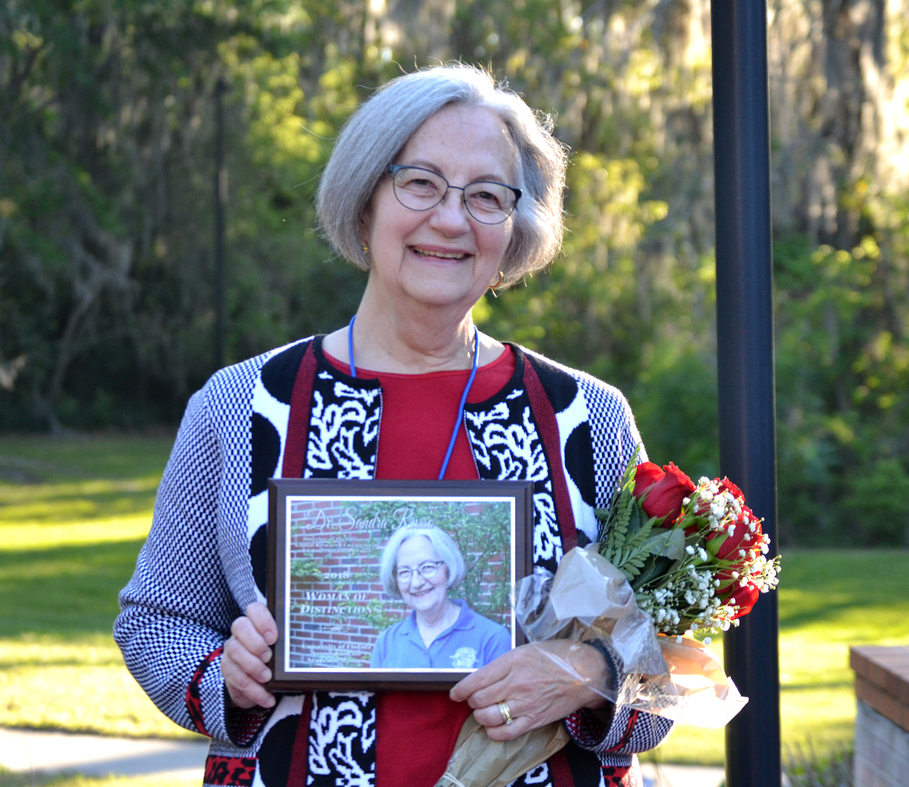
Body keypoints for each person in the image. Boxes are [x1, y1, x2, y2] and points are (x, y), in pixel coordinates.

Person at [115, 64, 674, 787]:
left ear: (513, 227)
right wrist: (224, 674)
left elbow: (666, 667)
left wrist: (588, 670)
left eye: (486, 196)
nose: (450, 218)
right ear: (365, 201)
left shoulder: (583, 417)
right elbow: (157, 620)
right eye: (420, 183)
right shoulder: (244, 403)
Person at [370, 525, 511, 669]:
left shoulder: (493, 638)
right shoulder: (386, 643)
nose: (417, 582)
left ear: (448, 569)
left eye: (427, 567)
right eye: (404, 572)